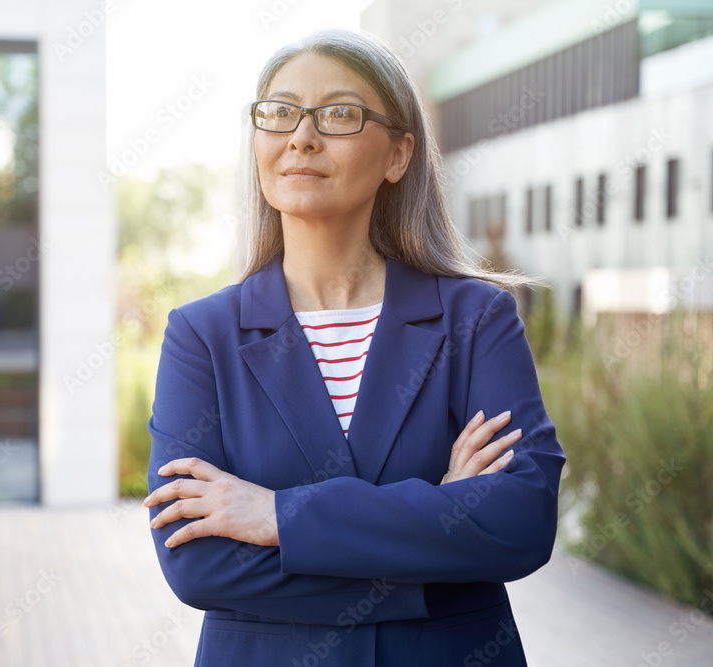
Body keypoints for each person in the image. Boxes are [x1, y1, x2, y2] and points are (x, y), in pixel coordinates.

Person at [142, 27, 565, 667]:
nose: (301, 136)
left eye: (339, 114)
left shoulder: (476, 320)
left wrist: (276, 517)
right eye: (279, 113)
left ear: (398, 154)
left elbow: (519, 523)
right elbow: (196, 563)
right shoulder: (202, 335)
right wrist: (442, 521)